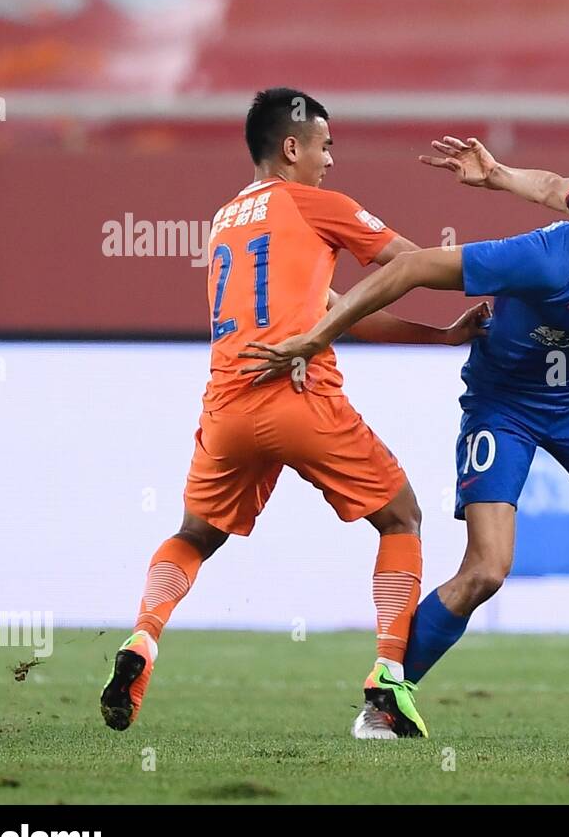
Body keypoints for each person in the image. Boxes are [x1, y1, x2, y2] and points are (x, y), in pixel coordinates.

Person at [240, 139, 569, 736]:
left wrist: (497, 175)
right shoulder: (543, 259)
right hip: (507, 407)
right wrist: (316, 336)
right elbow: (411, 268)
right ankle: (385, 701)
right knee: (488, 569)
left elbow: (554, 186)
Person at [99, 89, 489, 741]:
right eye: (325, 146)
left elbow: (340, 306)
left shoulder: (225, 221)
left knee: (194, 535)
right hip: (299, 391)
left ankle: (144, 633)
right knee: (401, 516)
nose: (330, 161)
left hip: (225, 407)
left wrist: (442, 337)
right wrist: (522, 274)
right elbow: (415, 264)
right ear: (292, 147)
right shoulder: (313, 205)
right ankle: (389, 675)